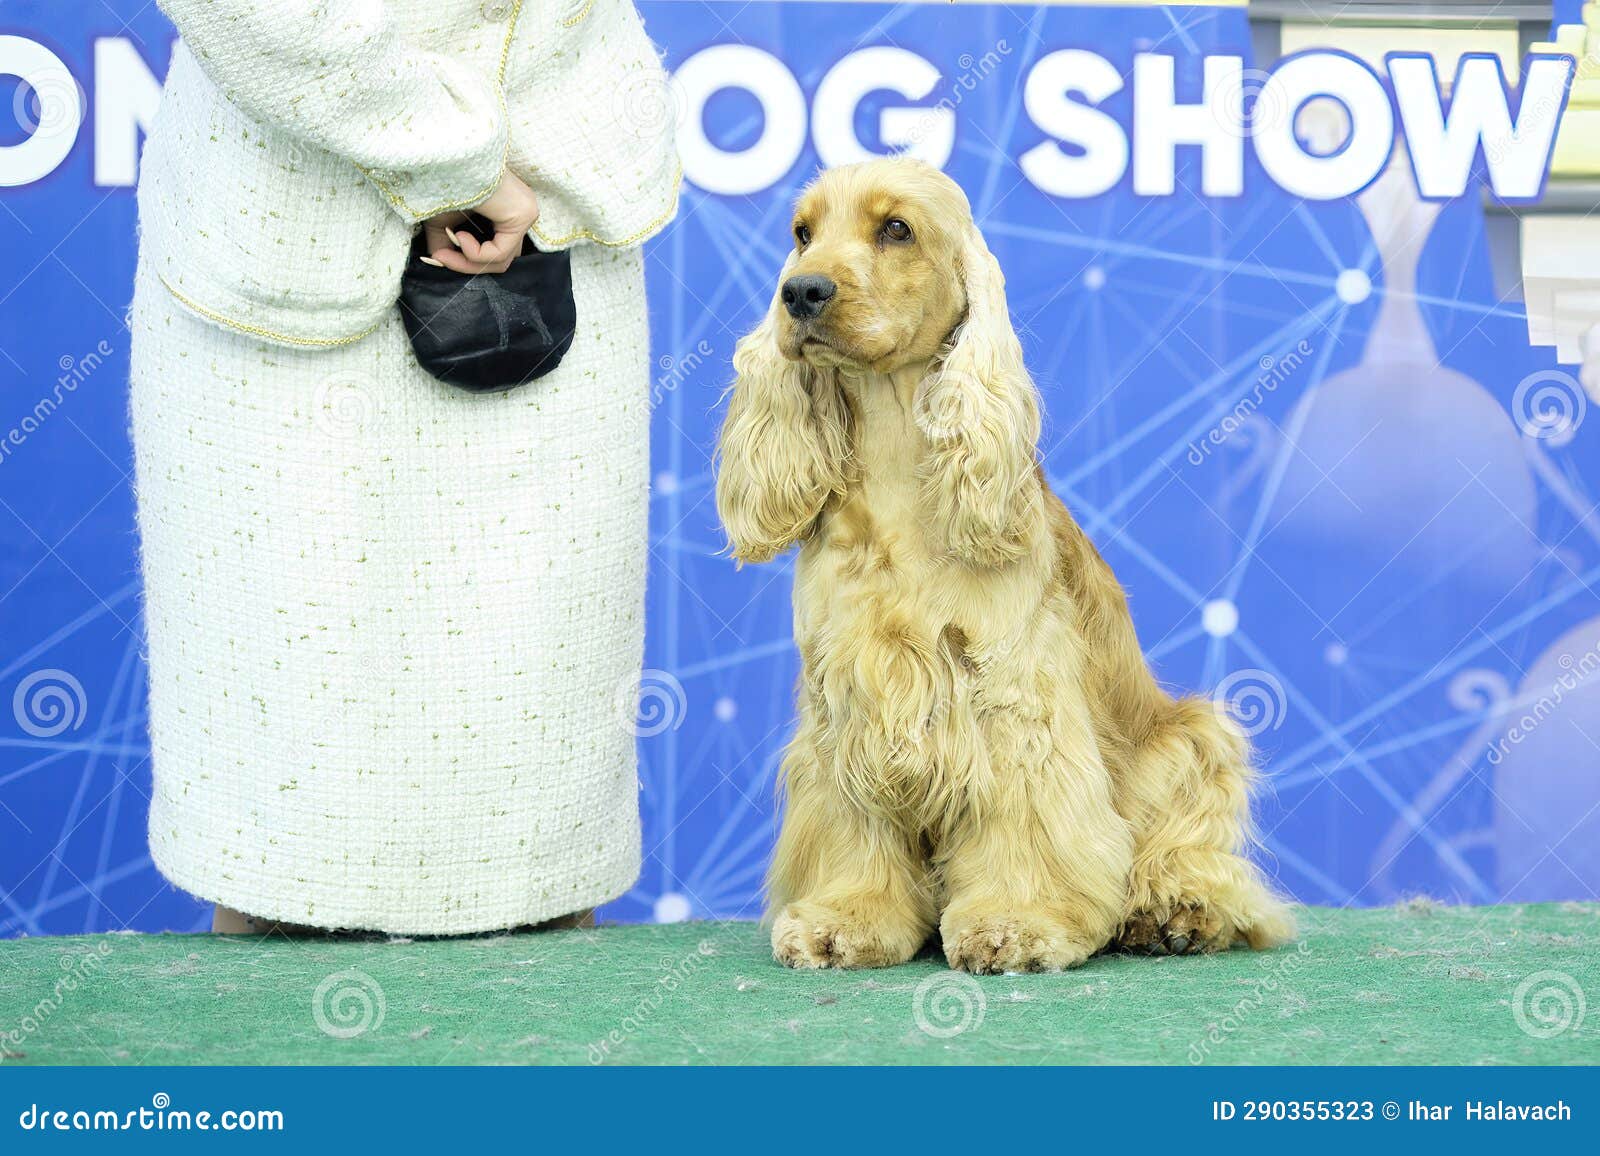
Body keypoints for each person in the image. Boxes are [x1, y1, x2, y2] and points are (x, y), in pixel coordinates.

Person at [131, 0, 679, 935]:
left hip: (559, 213)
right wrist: (456, 161)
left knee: (533, 845)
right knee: (295, 854)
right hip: (293, 243)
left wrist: (496, 175)